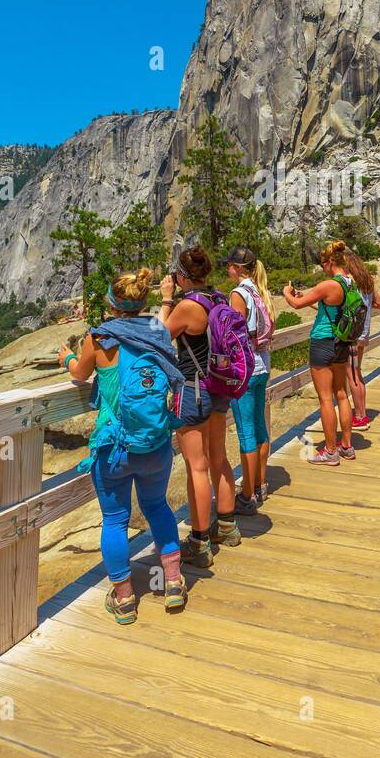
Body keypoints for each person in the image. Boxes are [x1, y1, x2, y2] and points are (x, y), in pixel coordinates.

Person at [58, 267, 186, 625]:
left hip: (113, 447)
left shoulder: (99, 339)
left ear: (111, 304)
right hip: (154, 443)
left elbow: (79, 375)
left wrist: (67, 358)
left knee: (115, 520)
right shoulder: (158, 332)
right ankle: (172, 583)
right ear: (141, 301)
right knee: (158, 508)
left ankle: (125, 598)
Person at [158, 246, 240, 566]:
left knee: (197, 466)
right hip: (219, 386)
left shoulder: (188, 305)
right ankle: (228, 525)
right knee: (218, 457)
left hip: (193, 390)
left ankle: (200, 540)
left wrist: (166, 298)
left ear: (181, 275)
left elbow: (160, 337)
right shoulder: (218, 297)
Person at [283, 239, 356, 465]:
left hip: (323, 342)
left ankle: (331, 451)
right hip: (341, 342)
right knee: (342, 394)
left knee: (326, 399)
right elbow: (326, 305)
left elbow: (296, 305)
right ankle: (346, 446)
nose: (322, 267)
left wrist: (287, 292)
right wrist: (303, 295)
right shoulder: (349, 282)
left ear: (331, 262)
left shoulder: (329, 284)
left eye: (323, 263)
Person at [226, 245, 274, 509]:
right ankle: (260, 484)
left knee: (245, 433)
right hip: (262, 364)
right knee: (258, 427)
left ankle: (247, 496)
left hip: (245, 368)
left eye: (230, 265)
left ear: (238, 268)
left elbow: (235, 335)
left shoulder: (238, 294)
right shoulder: (260, 290)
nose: (227, 268)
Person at [344, 247, 380, 429]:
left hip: (352, 333)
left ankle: (360, 416)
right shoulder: (367, 280)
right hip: (363, 331)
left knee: (352, 374)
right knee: (357, 372)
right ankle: (362, 412)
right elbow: (379, 303)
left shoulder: (350, 281)